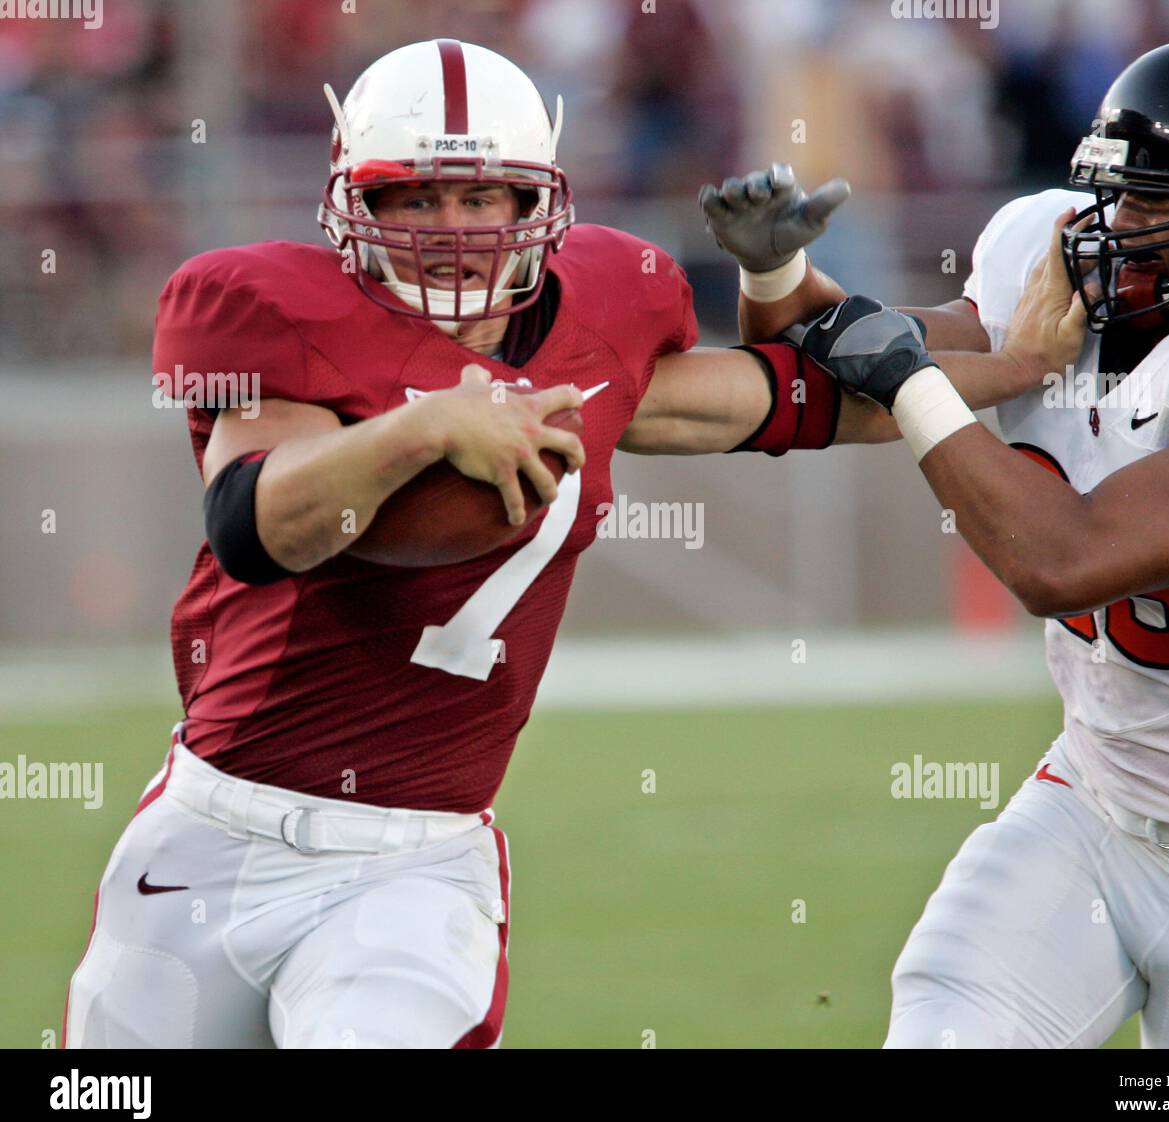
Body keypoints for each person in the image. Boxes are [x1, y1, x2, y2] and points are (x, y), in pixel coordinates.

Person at [63, 38, 1068, 1050]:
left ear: (534, 204)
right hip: (212, 831)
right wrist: (424, 428)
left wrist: (1000, 352)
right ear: (352, 205)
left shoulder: (599, 315)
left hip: (409, 865)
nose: (450, 231)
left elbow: (811, 395)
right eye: (413, 198)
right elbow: (253, 526)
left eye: (482, 198)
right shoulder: (276, 311)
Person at [736, 39, 1169, 1048]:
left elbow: (1062, 559)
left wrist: (905, 378)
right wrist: (778, 272)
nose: (1107, 229)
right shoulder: (1059, 271)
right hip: (1094, 801)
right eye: (1106, 196)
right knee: (949, 1017)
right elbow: (830, 369)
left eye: (1147, 204)